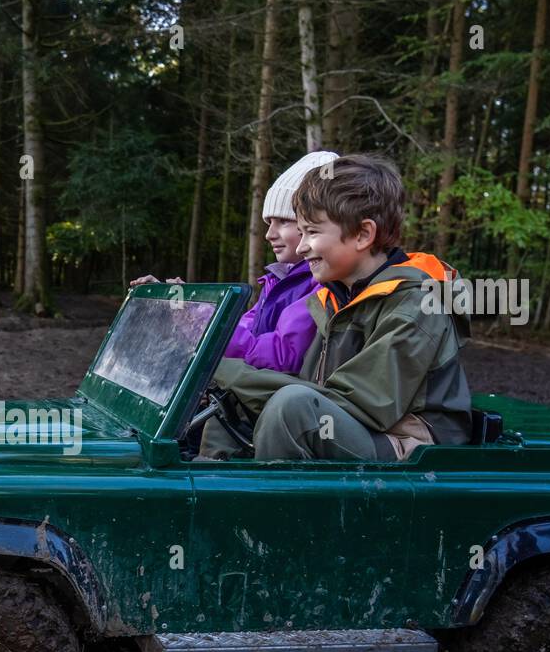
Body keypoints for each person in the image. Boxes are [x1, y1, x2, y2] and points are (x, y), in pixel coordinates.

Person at [199, 153, 472, 462]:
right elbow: (317, 389)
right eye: (301, 232)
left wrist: (222, 369)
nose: (301, 247)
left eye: (312, 233)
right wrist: (229, 382)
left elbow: (360, 403)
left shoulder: (418, 304)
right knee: (233, 400)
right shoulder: (336, 297)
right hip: (354, 425)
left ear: (363, 234)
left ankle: (273, 507)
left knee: (293, 408)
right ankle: (214, 486)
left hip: (405, 442)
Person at [130, 150, 339, 374]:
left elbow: (282, 356)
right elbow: (242, 329)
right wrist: (186, 309)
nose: (269, 234)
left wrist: (201, 324)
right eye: (269, 222)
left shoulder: (321, 284)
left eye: (283, 222)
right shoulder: (278, 280)